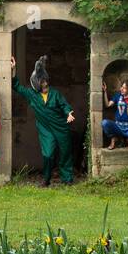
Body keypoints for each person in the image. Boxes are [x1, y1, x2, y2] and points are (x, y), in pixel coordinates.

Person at [10, 55, 76, 185]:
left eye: (46, 81)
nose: (45, 84)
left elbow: (64, 105)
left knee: (65, 153)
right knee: (48, 154)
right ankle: (46, 179)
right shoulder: (32, 95)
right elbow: (17, 86)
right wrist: (13, 69)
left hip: (61, 127)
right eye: (42, 83)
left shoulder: (55, 93)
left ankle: (67, 179)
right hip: (45, 129)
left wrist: (69, 113)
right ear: (36, 84)